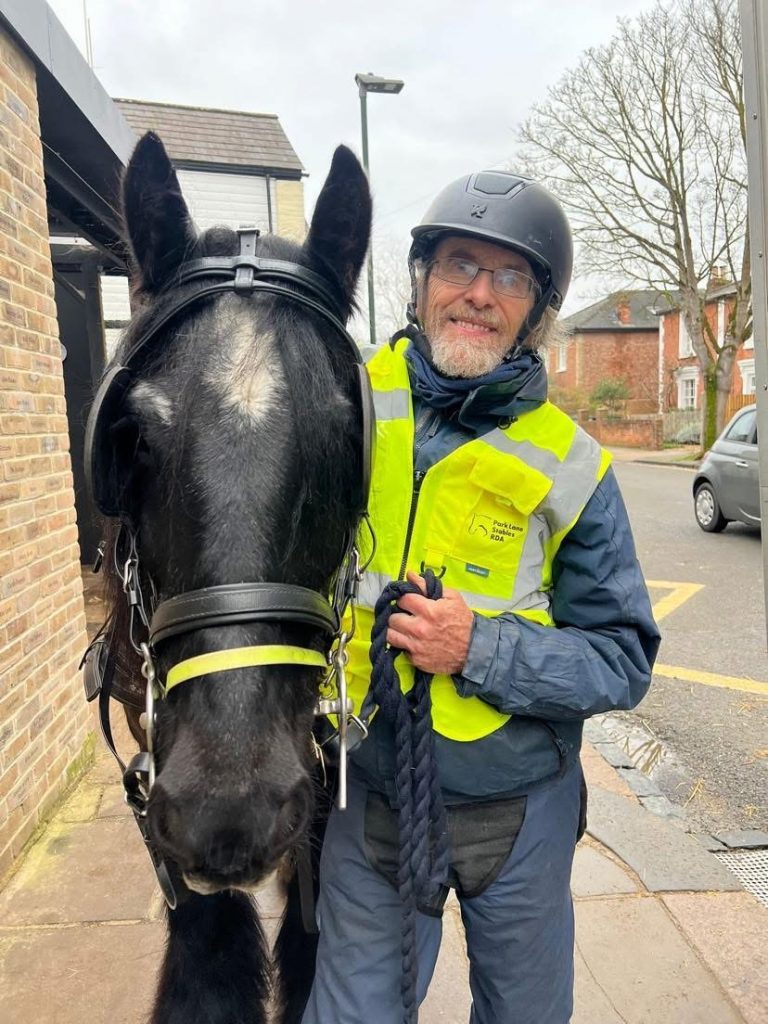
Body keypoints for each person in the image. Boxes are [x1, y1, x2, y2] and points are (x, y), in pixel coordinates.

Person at [301, 171, 660, 1024]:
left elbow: (622, 657)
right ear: (422, 280)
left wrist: (480, 648)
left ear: (535, 309)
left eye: (509, 278)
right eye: (461, 265)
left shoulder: (572, 462)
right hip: (372, 799)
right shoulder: (345, 400)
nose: (478, 295)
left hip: (519, 809)